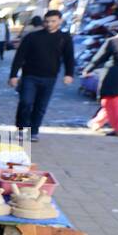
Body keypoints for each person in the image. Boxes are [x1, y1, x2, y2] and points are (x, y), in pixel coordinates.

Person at [8, 9, 75, 142]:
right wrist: (13, 75)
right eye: (47, 21)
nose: (49, 24)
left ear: (60, 21)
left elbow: (69, 57)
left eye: (53, 21)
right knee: (26, 102)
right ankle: (22, 129)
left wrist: (69, 74)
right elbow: (19, 56)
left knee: (41, 106)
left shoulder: (65, 38)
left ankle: (33, 131)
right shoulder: (32, 37)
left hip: (50, 78)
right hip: (29, 76)